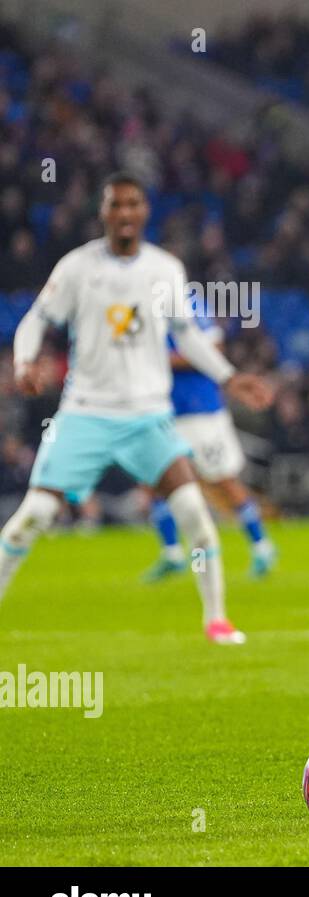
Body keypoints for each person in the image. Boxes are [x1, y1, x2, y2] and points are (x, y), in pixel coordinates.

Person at [0, 173, 273, 644]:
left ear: (145, 212)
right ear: (103, 213)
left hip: (149, 417)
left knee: (195, 514)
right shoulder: (77, 268)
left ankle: (217, 620)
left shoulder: (165, 269)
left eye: (133, 204)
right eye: (115, 205)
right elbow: (34, 321)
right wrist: (25, 360)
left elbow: (188, 334)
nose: (125, 213)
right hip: (85, 413)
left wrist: (229, 376)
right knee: (33, 518)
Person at [142, 313, 277, 582]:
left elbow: (213, 349)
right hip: (161, 410)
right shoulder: (143, 298)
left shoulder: (189, 303)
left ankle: (262, 546)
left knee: (221, 480)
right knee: (157, 481)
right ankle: (172, 553)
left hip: (200, 411)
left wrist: (159, 360)